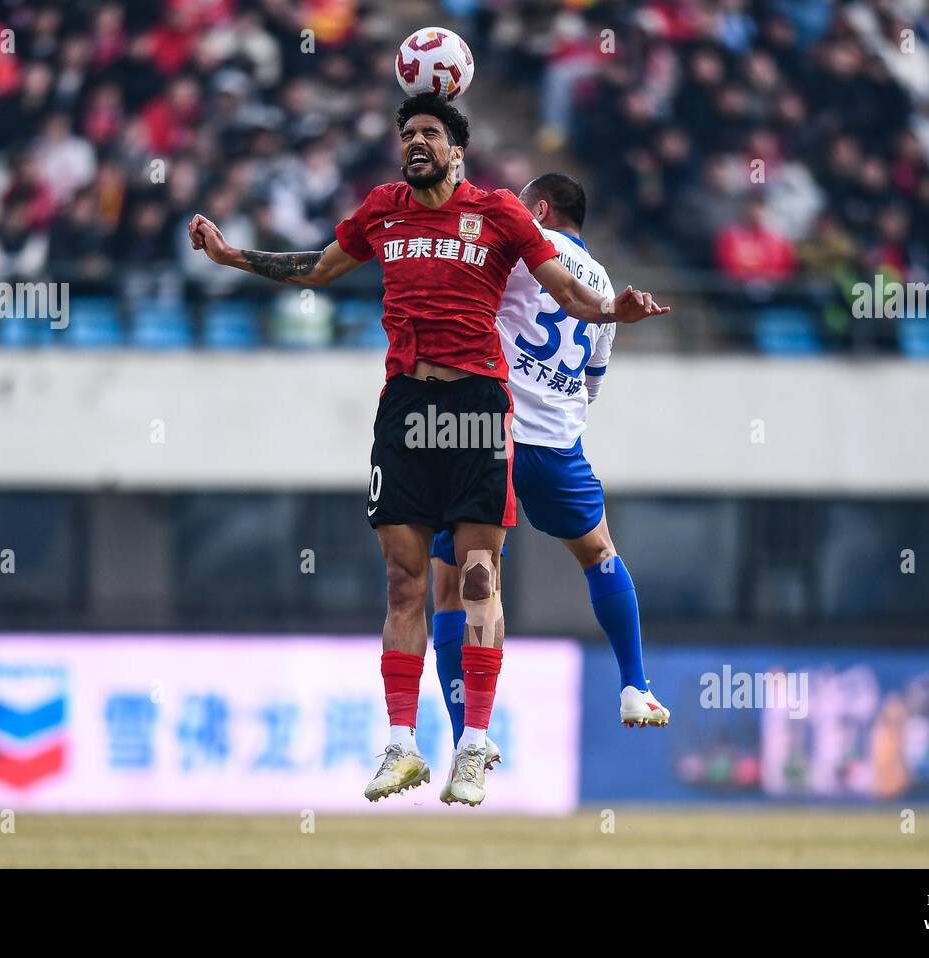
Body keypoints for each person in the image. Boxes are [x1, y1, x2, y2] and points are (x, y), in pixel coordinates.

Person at [187, 93, 669, 807]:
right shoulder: (383, 208)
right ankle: (402, 745)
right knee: (406, 584)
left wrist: (609, 311)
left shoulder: (501, 212)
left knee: (476, 578)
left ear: (457, 148)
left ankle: (473, 745)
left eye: (429, 133)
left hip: (479, 409)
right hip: (405, 410)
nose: (415, 141)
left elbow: (565, 287)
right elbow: (318, 268)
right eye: (407, 132)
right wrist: (233, 258)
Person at [429, 175, 669, 806]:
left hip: (491, 436)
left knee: (460, 583)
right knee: (601, 556)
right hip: (558, 447)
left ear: (539, 209)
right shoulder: (606, 287)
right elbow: (591, 386)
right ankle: (635, 685)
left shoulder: (520, 245)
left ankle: (466, 737)